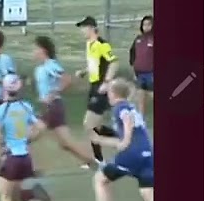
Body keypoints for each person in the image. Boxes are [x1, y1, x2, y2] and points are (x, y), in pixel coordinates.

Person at [87, 79, 154, 201]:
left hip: (131, 155)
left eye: (109, 92)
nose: (107, 95)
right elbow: (123, 139)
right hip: (147, 153)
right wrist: (100, 140)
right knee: (147, 191)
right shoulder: (132, 107)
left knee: (100, 179)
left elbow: (126, 120)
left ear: (113, 93)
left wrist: (125, 141)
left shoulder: (120, 107)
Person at [31, 36, 100, 168]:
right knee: (66, 144)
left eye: (35, 49)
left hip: (52, 107)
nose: (33, 52)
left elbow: (66, 79)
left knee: (30, 135)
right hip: (51, 107)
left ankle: (15, 165)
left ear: (43, 50)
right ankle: (95, 164)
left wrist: (53, 93)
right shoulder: (40, 68)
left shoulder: (51, 65)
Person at [76, 16, 119, 166]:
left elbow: (114, 62)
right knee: (96, 126)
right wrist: (84, 71)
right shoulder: (89, 44)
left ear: (91, 28)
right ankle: (123, 140)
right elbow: (94, 64)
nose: (82, 31)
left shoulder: (102, 44)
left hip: (101, 88)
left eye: (83, 27)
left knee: (88, 124)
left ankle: (102, 156)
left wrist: (106, 82)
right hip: (93, 86)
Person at [129, 15, 154, 115]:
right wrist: (133, 69)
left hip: (151, 74)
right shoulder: (138, 39)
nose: (146, 27)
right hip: (139, 74)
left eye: (149, 24)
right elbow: (132, 54)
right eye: (144, 25)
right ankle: (141, 121)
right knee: (140, 101)